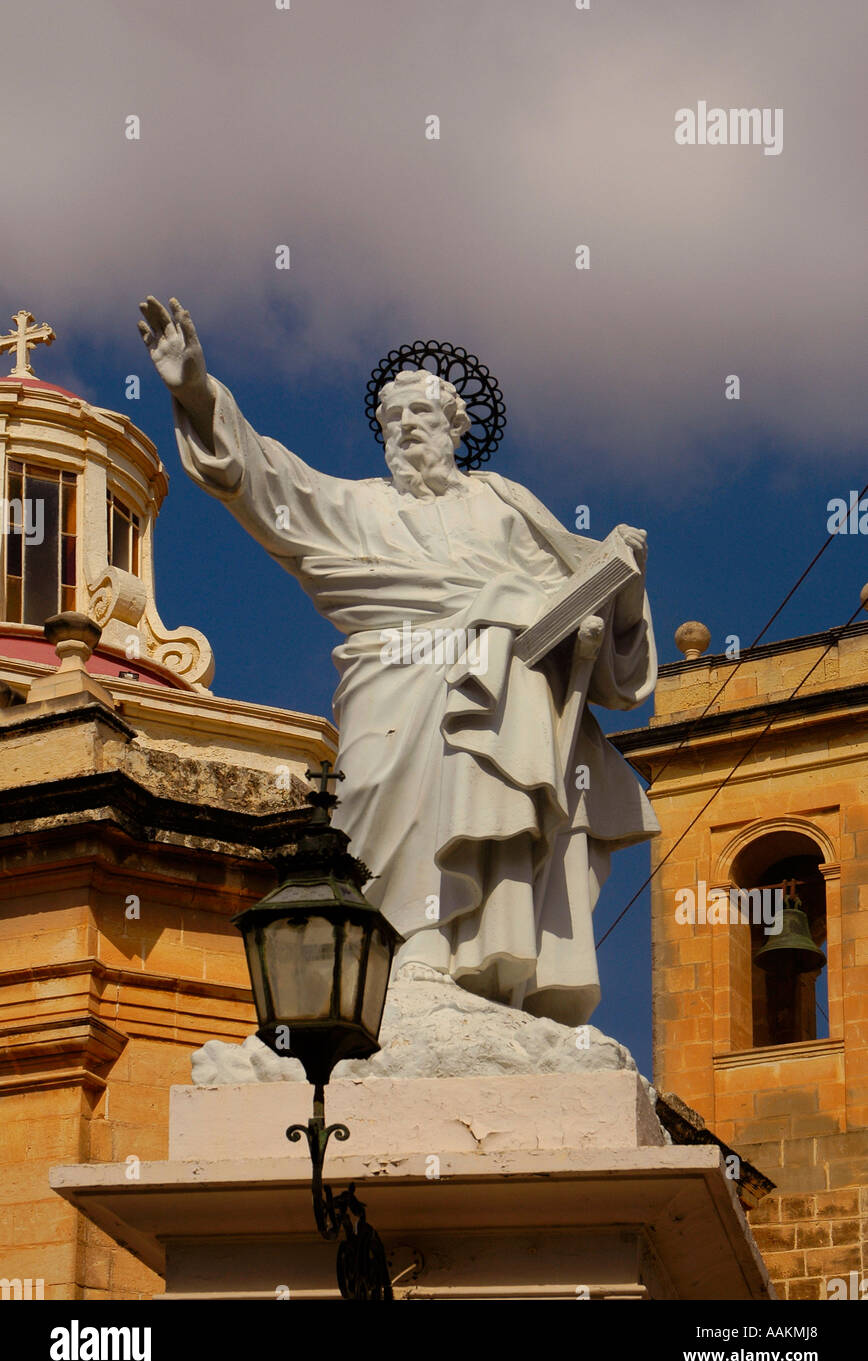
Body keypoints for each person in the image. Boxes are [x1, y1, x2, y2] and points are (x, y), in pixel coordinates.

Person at [139, 295, 659, 1026]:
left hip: (499, 690)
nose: (405, 427)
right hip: (389, 677)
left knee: (487, 792)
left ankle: (461, 962)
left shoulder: (508, 508)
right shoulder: (357, 508)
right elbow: (260, 480)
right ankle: (391, 960)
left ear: (456, 427)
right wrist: (194, 388)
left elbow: (590, 621)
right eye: (392, 419)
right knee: (371, 801)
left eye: (420, 415)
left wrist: (620, 584)